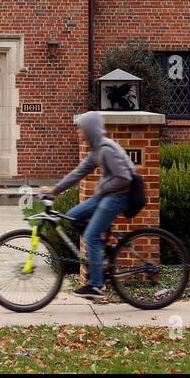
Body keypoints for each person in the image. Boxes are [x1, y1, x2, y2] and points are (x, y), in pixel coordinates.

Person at [40, 110, 134, 298]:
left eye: (80, 128)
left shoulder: (106, 149)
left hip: (118, 196)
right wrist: (54, 190)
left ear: (90, 130)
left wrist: (103, 187)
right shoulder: (96, 150)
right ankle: (98, 250)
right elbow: (78, 172)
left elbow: (124, 178)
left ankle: (97, 286)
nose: (77, 132)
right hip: (106, 195)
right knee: (73, 217)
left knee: (90, 235)